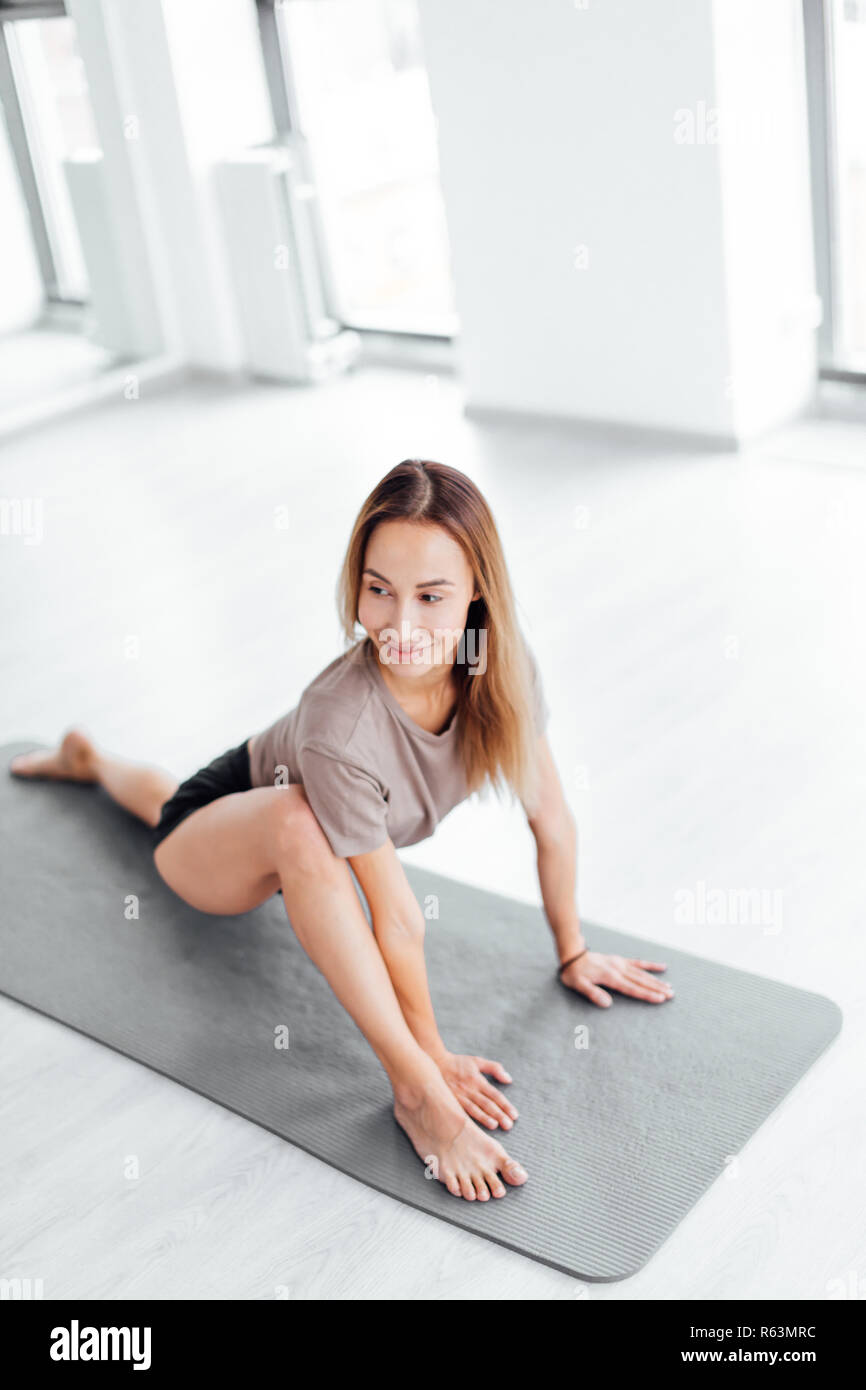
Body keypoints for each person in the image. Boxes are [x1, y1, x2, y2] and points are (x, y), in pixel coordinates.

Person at [9, 459, 672, 1203]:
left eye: (431, 596)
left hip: (254, 801)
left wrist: (572, 949)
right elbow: (394, 918)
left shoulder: (505, 671)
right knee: (254, 818)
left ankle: (87, 756)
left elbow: (552, 820)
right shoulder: (338, 721)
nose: (402, 626)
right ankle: (411, 1099)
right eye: (379, 591)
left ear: (479, 588)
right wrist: (428, 1064)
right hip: (213, 845)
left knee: (192, 799)